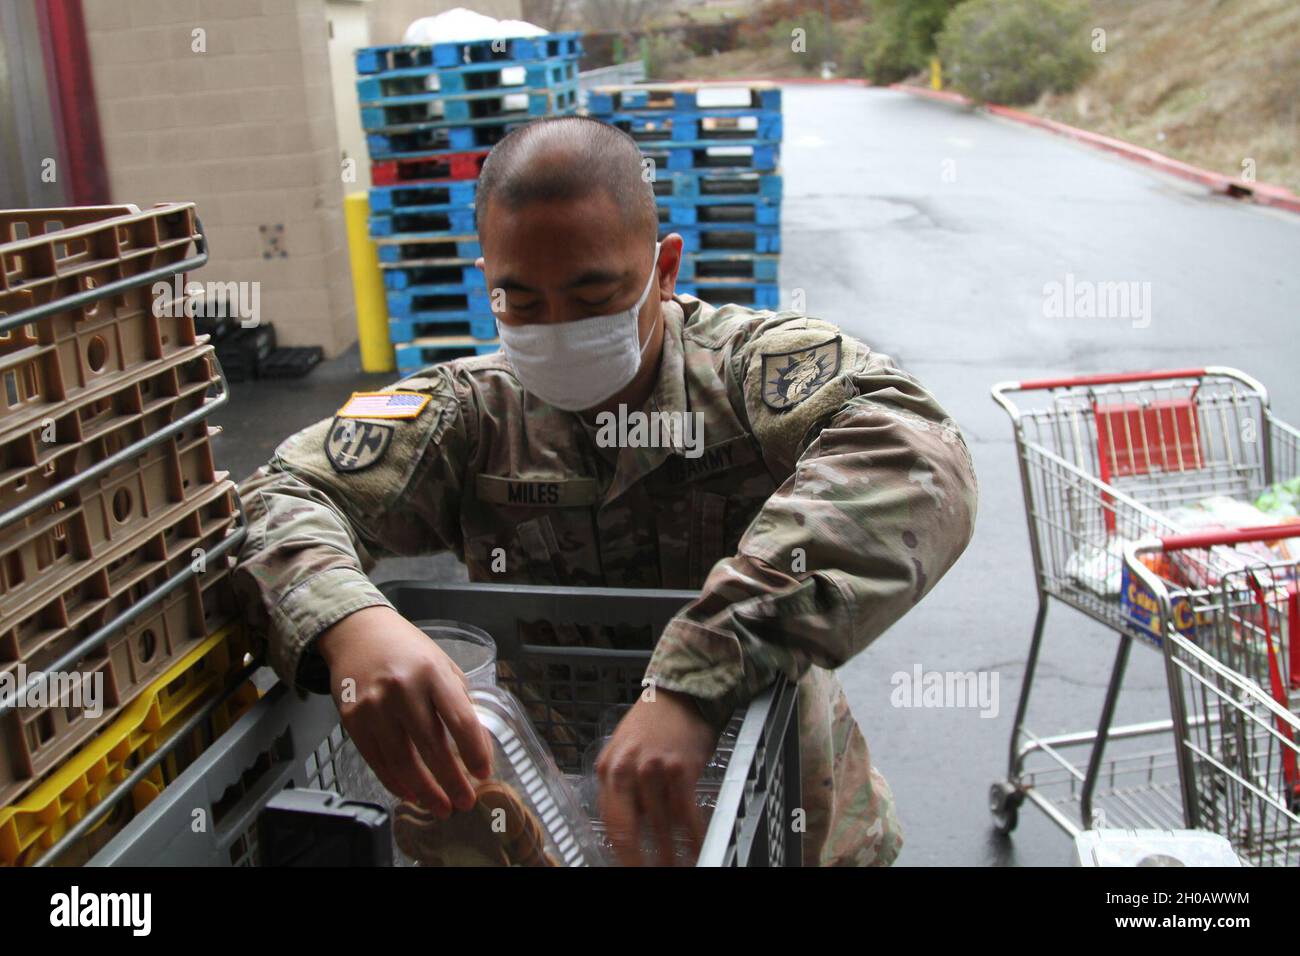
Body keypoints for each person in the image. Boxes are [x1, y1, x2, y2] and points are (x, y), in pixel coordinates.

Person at [231, 115, 978, 866]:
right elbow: (282, 493)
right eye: (520, 302)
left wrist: (694, 679)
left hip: (785, 821)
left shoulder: (749, 375)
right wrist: (351, 623)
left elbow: (916, 456)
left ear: (664, 268)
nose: (556, 328)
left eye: (594, 297)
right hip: (571, 827)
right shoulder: (470, 415)